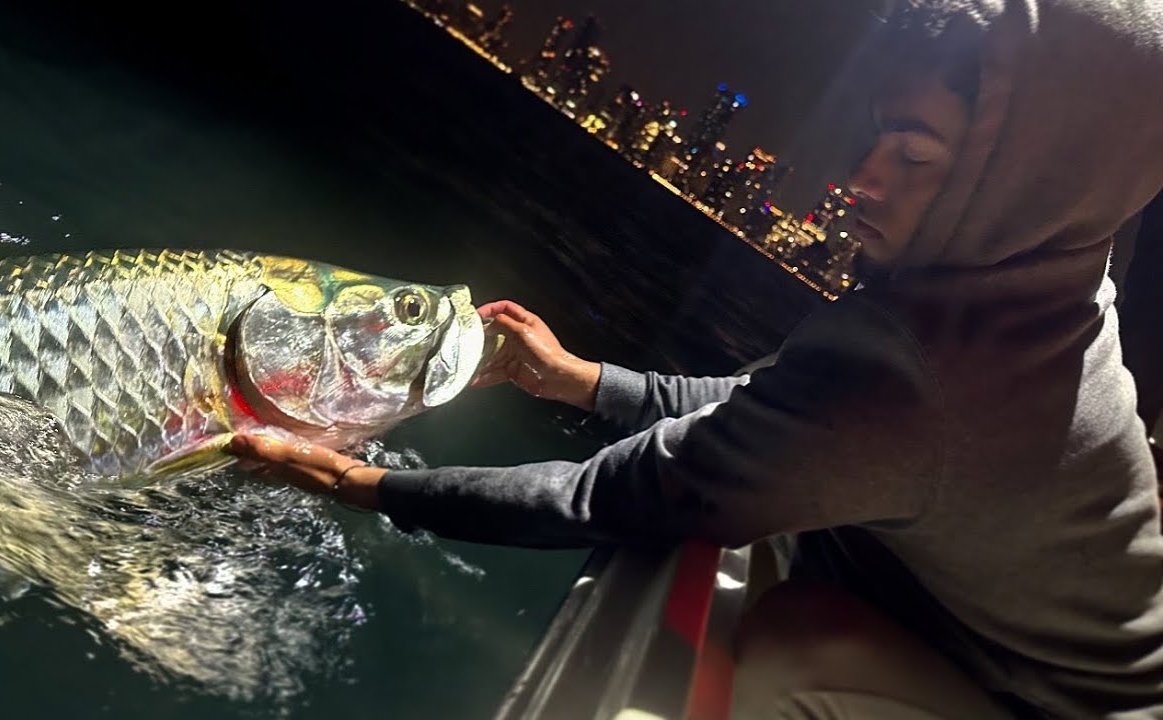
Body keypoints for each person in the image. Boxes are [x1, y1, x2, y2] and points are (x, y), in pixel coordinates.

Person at [227, 0, 1163, 717]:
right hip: (1016, 641)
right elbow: (775, 411)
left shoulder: (928, 371)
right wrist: (578, 379)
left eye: (914, 156)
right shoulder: (1049, 287)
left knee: (799, 644)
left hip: (1068, 708)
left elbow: (609, 499)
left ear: (1026, 178)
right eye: (881, 136)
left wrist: (360, 482)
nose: (864, 178)